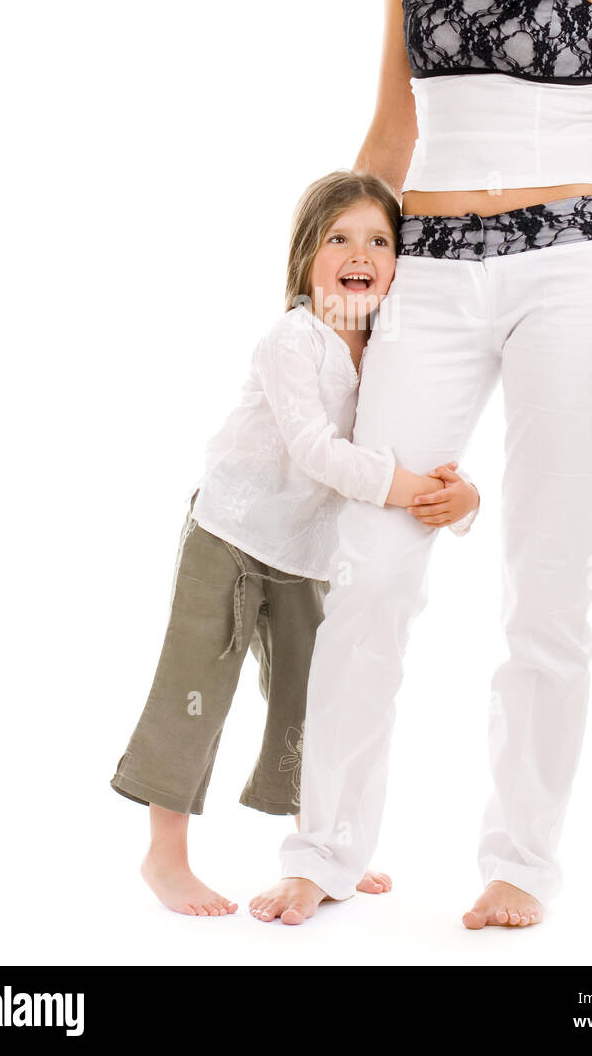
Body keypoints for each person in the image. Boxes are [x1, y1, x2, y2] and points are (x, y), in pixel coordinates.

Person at [250, 0, 592, 929]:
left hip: (571, 271)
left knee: (548, 575)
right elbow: (389, 139)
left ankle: (520, 863)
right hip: (427, 270)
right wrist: (325, 286)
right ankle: (324, 850)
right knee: (374, 562)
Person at [110, 169, 480, 917]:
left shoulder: (390, 353)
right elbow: (315, 450)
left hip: (306, 554)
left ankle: (325, 848)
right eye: (339, 237)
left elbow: (425, 446)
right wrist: (403, 487)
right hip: (231, 532)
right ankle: (164, 854)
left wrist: (460, 498)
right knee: (195, 691)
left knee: (315, 698)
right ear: (307, 256)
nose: (360, 252)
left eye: (379, 240)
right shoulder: (294, 339)